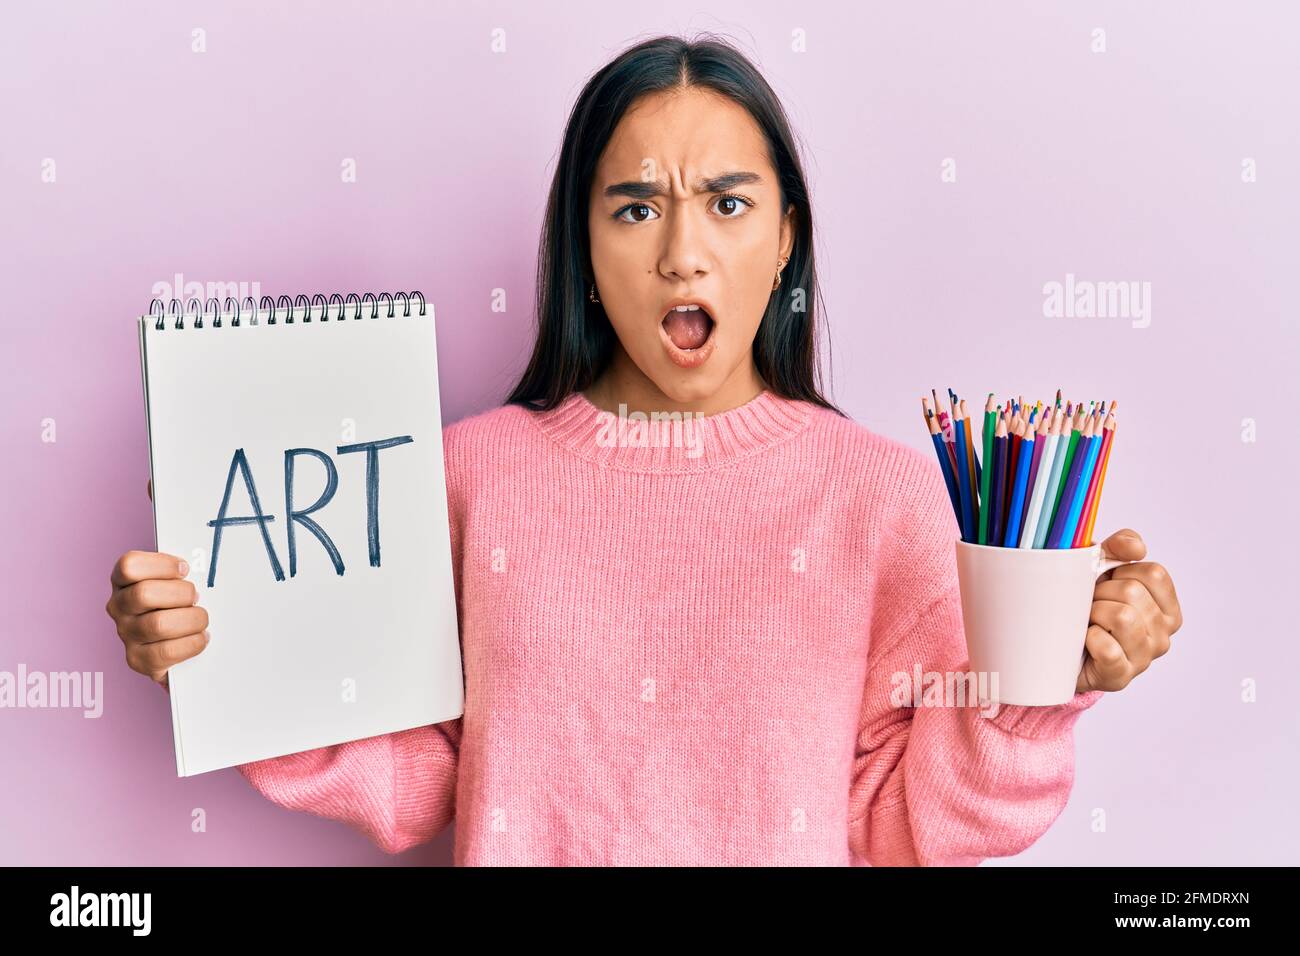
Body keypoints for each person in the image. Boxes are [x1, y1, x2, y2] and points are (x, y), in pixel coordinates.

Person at [104, 34, 1182, 866]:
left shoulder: (882, 497)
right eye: (633, 208)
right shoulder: (466, 475)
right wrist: (222, 657)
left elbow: (906, 821)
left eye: (725, 204)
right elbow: (424, 778)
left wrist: (1047, 675)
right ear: (582, 239)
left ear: (785, 237)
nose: (681, 254)